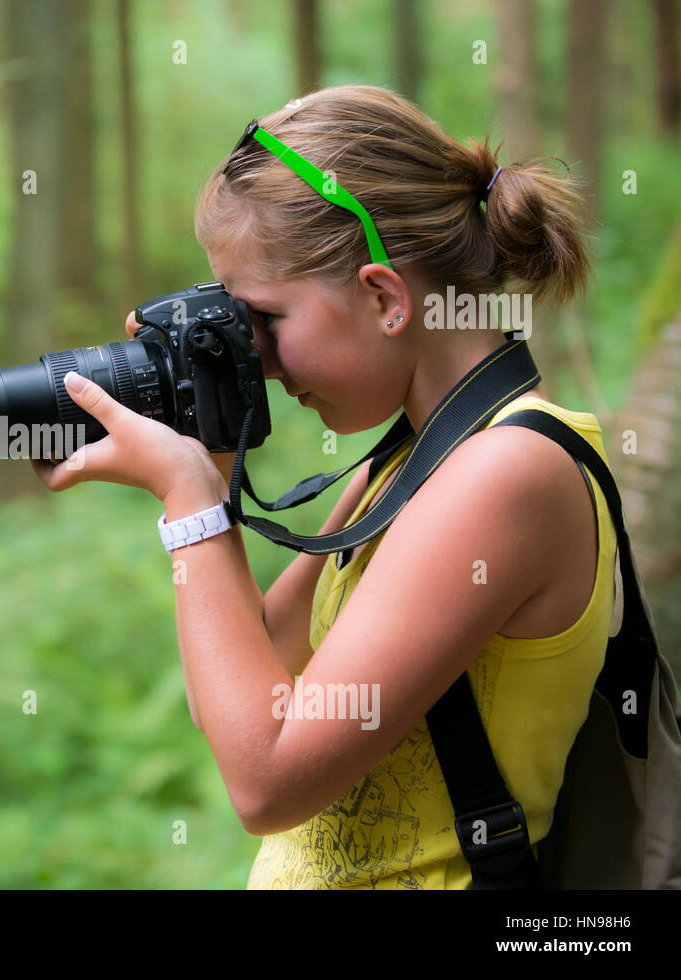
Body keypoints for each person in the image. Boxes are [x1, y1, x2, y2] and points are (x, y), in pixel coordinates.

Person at [30, 84, 618, 889]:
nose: (258, 362)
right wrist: (213, 477)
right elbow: (236, 698)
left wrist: (190, 505)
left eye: (265, 320)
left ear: (383, 297)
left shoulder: (506, 471)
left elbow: (265, 779)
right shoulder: (409, 463)